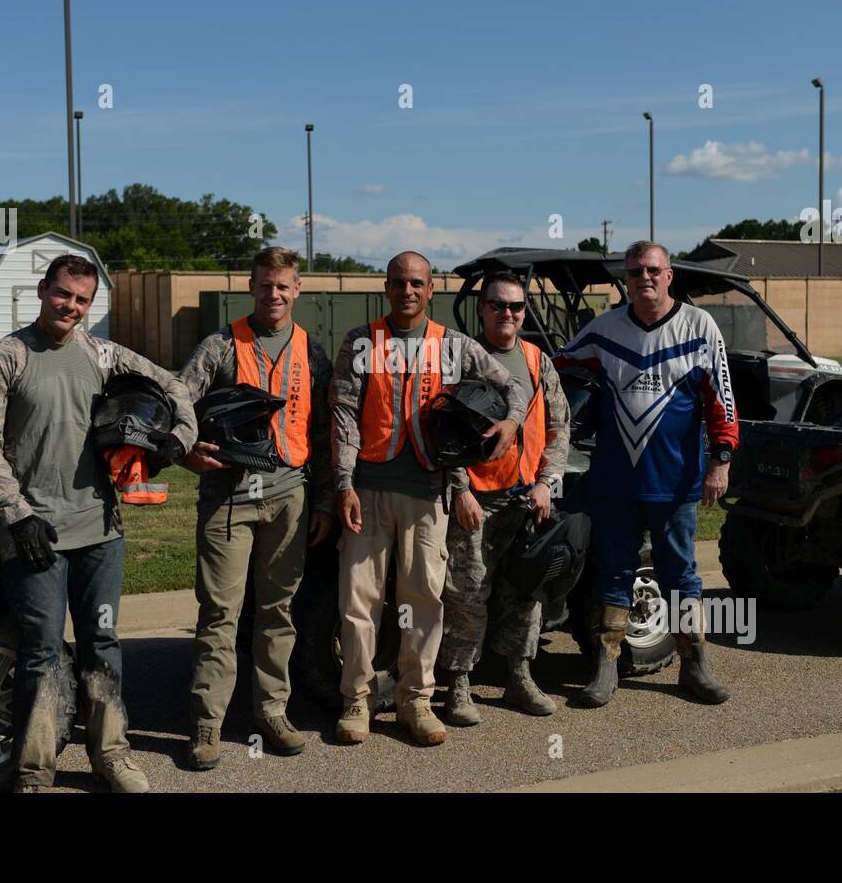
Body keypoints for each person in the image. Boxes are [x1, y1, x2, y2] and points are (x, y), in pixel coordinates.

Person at [0, 254, 197, 792]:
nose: (71, 306)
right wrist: (16, 513)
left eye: (82, 300)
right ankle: (34, 771)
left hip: (101, 532)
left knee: (102, 643)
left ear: (92, 306)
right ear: (43, 290)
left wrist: (173, 443)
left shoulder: (102, 354)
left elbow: (178, 388)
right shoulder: (7, 357)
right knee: (41, 654)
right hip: (35, 536)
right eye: (63, 294)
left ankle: (111, 754)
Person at [329, 251, 527, 746]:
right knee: (359, 602)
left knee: (422, 601)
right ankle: (357, 699)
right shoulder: (362, 342)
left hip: (428, 493)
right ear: (386, 287)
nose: (407, 291)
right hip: (369, 493)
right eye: (398, 283)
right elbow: (343, 415)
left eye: (416, 283)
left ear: (430, 288)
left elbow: (512, 384)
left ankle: (415, 701)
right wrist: (344, 484)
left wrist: (511, 420)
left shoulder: (453, 346)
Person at [556, 241, 738, 708]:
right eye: (635, 271)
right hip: (615, 480)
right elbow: (554, 367)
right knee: (612, 572)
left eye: (653, 270)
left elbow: (722, 399)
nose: (645, 278)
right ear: (625, 279)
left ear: (669, 275)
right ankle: (605, 666)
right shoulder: (605, 328)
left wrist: (721, 459)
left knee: (681, 574)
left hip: (675, 482)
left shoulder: (700, 327)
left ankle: (694, 665)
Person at [178, 246, 333, 770]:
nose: (275, 294)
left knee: (278, 610)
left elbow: (322, 433)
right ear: (252, 286)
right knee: (220, 614)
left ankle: (271, 711)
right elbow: (180, 403)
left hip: (290, 496)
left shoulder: (313, 353)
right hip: (229, 498)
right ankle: (207, 724)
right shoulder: (221, 345)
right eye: (265, 285)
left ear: (297, 290)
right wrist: (186, 451)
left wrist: (326, 501)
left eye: (284, 286)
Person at [439, 271, 570, 725]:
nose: (508, 314)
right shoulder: (460, 361)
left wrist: (545, 482)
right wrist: (461, 490)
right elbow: (441, 435)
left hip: (524, 501)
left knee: (525, 590)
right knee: (468, 593)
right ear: (482, 308)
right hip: (474, 500)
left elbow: (559, 427)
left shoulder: (537, 361)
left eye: (516, 306)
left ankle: (519, 675)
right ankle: (458, 685)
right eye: (498, 305)